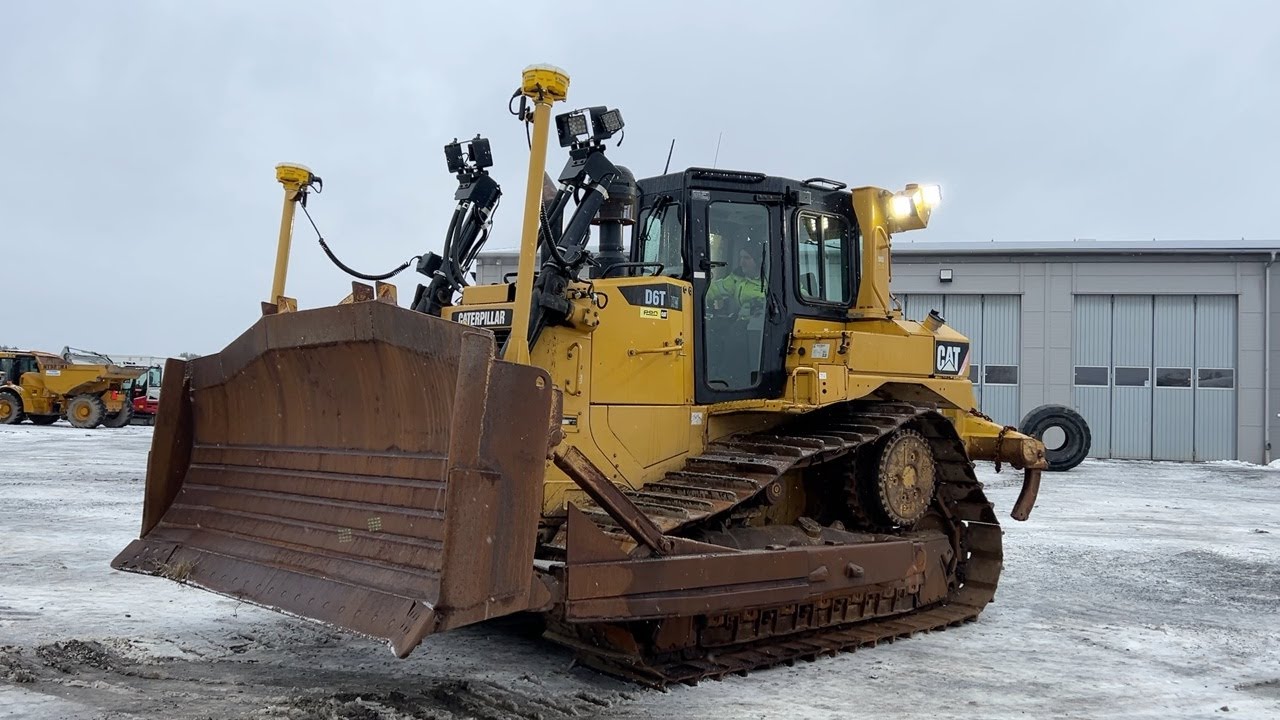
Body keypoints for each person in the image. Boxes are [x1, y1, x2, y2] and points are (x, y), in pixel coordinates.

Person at [707, 244, 766, 321]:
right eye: (741, 258)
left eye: (747, 258)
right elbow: (714, 290)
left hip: (762, 325)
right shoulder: (737, 278)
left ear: (759, 261)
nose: (742, 263)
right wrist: (699, 293)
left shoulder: (769, 280)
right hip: (742, 323)